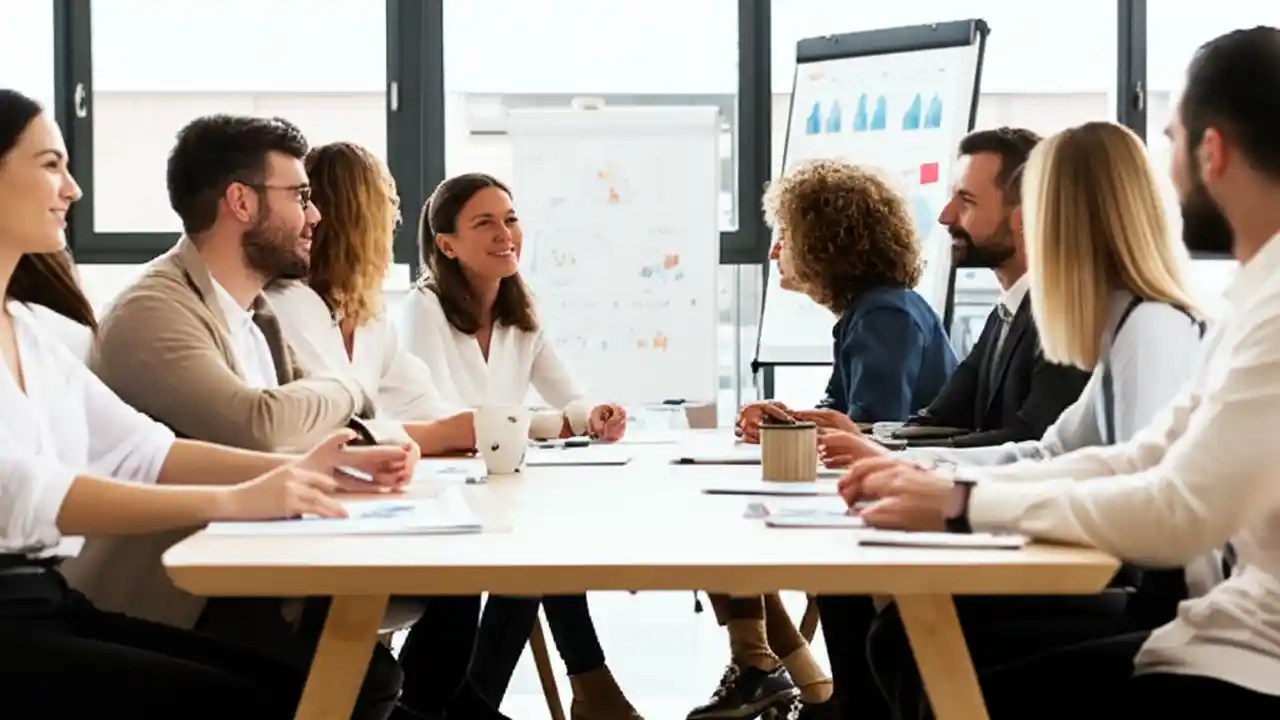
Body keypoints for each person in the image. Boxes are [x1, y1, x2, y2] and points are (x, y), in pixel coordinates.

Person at [840, 26, 1280, 718]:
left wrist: (962, 506)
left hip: (1242, 661)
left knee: (949, 677)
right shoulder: (1247, 305)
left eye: (1170, 140)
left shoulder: (1255, 315)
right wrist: (945, 485)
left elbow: (1178, 509)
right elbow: (1130, 457)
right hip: (1220, 636)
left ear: (1212, 151)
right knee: (913, 645)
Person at [0, 88, 412, 719]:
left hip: (46, 601)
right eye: (50, 164)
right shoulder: (148, 309)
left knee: (340, 683)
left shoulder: (29, 330)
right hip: (17, 624)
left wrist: (302, 473)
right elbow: (28, 490)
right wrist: (236, 497)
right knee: (293, 695)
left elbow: (145, 452)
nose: (74, 188)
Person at [814, 120, 1209, 720]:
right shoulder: (1122, 324)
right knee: (897, 636)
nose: (1026, 228)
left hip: (1163, 605)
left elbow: (1141, 496)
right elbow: (1048, 453)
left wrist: (959, 501)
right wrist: (908, 466)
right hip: (1130, 584)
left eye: (1037, 211)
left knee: (922, 647)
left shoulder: (1152, 328)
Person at [267, 143, 524, 719]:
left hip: (366, 504)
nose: (398, 221)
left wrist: (442, 430)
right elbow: (333, 428)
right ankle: (440, 706)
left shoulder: (371, 315)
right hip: (313, 525)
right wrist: (427, 434)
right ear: (359, 215)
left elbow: (426, 410)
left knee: (473, 569)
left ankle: (443, 704)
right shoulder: (285, 307)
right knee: (460, 575)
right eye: (388, 205)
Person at [707, 159, 958, 720]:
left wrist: (801, 422)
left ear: (827, 242)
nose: (775, 252)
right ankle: (796, 680)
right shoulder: (868, 313)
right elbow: (839, 413)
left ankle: (819, 690)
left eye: (786, 238)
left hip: (906, 499)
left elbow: (870, 425)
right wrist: (782, 418)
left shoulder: (884, 314)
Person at [399, 172, 638, 720]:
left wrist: (591, 417)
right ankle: (577, 688)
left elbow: (569, 400)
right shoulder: (424, 308)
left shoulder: (519, 311)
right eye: (484, 222)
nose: (504, 232)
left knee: (536, 551)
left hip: (495, 489)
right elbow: (440, 416)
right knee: (532, 556)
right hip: (439, 492)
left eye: (510, 218)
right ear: (446, 244)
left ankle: (495, 699)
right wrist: (548, 424)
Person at [891, 128, 1091, 449]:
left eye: (966, 201)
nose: (945, 216)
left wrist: (886, 452)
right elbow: (938, 420)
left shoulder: (1064, 315)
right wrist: (865, 438)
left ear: (1025, 216)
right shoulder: (1006, 311)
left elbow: (1033, 439)